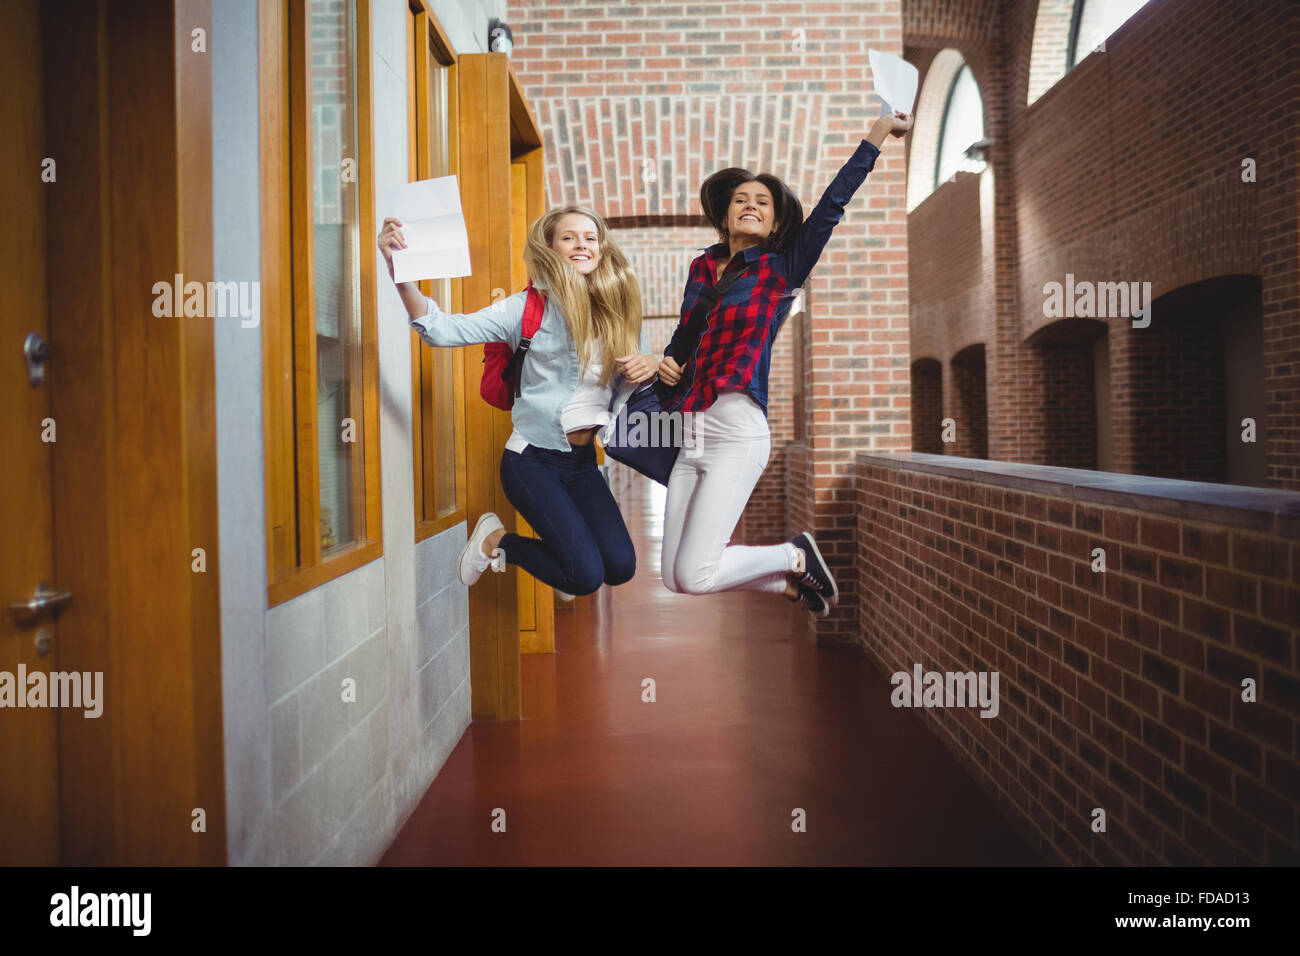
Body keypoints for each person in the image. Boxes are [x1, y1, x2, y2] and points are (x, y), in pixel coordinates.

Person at [656, 111, 914, 617]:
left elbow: (831, 208)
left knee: (694, 571)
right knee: (673, 578)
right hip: (690, 433)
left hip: (737, 431)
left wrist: (877, 136)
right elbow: (685, 338)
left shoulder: (781, 269)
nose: (750, 207)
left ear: (774, 222)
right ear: (725, 215)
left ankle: (793, 553)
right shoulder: (700, 267)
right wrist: (669, 362)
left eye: (763, 203)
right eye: (740, 201)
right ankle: (789, 585)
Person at [378, 205, 660, 595]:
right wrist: (400, 277)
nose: (581, 244)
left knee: (620, 566)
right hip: (532, 460)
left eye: (590, 237)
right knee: (584, 577)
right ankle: (497, 542)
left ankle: (525, 547)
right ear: (550, 248)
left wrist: (654, 360)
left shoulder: (620, 313)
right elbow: (442, 330)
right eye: (568, 237)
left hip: (582, 463)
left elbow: (643, 377)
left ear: (602, 249)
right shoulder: (524, 308)